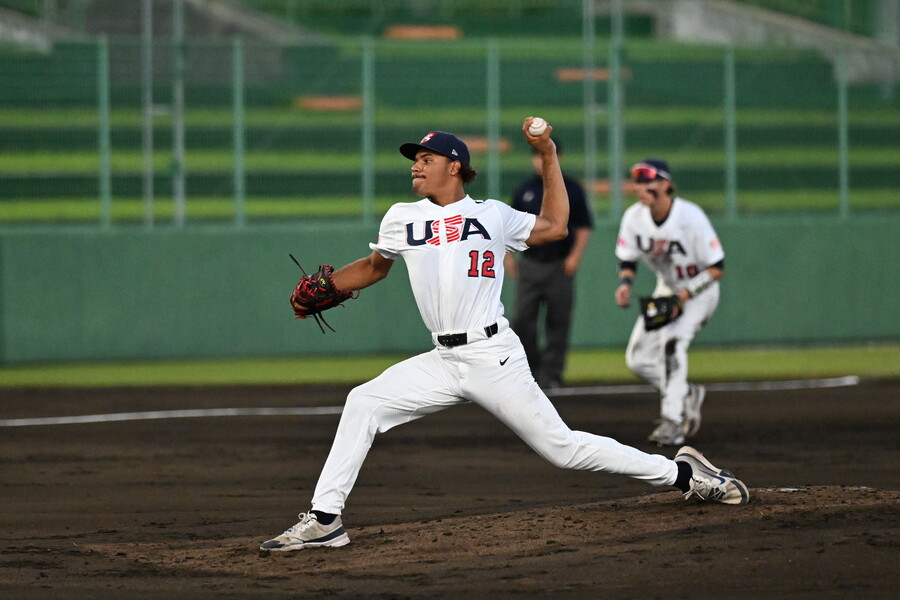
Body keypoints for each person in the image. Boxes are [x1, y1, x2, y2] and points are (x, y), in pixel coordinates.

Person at [260, 122, 748, 552]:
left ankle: (685, 475)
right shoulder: (400, 218)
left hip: (492, 354)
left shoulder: (493, 214)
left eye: (426, 159)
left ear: (455, 166)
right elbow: (373, 268)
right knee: (363, 402)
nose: (416, 166)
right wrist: (325, 286)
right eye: (415, 160)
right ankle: (325, 520)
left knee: (564, 449)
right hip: (441, 359)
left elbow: (557, 225)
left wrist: (549, 154)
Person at [613, 159, 725, 447]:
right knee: (637, 360)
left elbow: (716, 267)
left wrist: (684, 296)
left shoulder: (690, 216)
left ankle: (673, 421)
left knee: (673, 343)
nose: (640, 186)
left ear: (665, 184)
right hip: (667, 290)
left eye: (647, 179)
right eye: (637, 180)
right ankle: (685, 393)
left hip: (700, 292)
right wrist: (625, 284)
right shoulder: (634, 218)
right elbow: (627, 257)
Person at [504, 138, 593, 390]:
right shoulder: (524, 190)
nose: (538, 161)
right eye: (535, 155)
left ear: (556, 158)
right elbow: (509, 228)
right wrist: (509, 256)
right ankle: (529, 372)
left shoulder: (572, 189)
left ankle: (551, 375)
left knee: (558, 321)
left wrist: (575, 256)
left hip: (559, 264)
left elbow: (584, 225)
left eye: (542, 155)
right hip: (530, 264)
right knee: (522, 320)